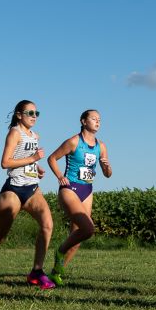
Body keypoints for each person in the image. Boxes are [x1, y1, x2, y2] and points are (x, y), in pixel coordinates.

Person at [0, 100, 55, 294]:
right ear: (18, 115)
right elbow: (5, 162)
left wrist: (36, 167)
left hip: (32, 187)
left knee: (48, 225)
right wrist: (33, 159)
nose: (33, 116)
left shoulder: (35, 135)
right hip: (14, 189)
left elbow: (24, 159)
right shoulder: (15, 133)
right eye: (29, 113)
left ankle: (37, 271)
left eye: (36, 113)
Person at [47, 109, 112, 284]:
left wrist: (107, 167)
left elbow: (108, 174)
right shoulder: (74, 141)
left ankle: (55, 273)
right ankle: (60, 251)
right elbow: (52, 158)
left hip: (87, 190)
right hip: (70, 188)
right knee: (88, 229)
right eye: (94, 119)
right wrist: (60, 176)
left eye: (100, 119)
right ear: (83, 121)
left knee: (77, 237)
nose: (98, 122)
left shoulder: (101, 146)